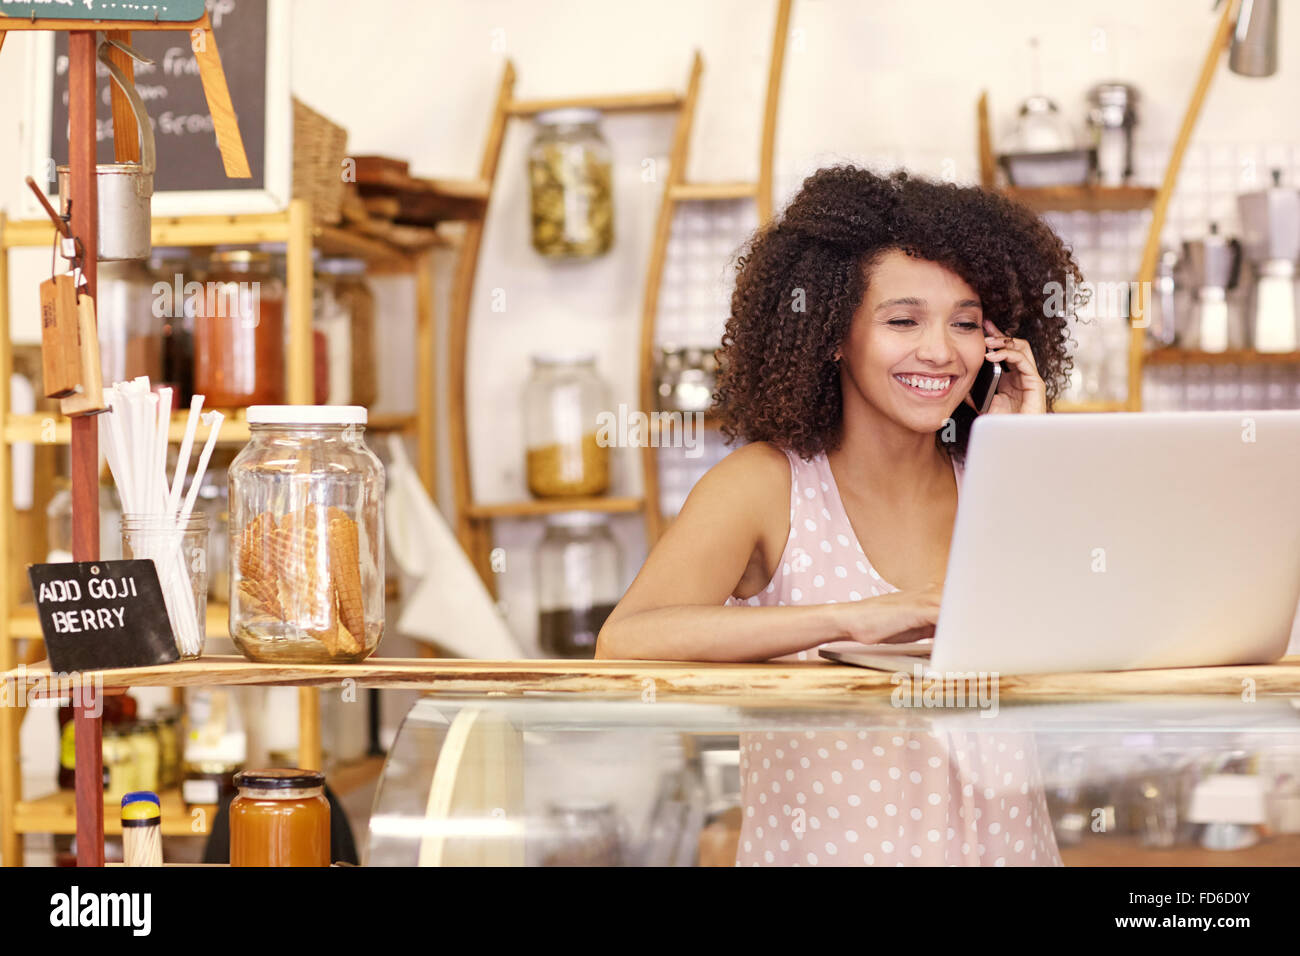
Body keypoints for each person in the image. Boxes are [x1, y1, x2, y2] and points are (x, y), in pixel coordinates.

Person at [596, 165, 1084, 865]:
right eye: (903, 320)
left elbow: (1083, 649)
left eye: (966, 324)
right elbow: (626, 642)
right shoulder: (764, 486)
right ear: (832, 333)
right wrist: (855, 617)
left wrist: (1020, 456)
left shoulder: (997, 480)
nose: (941, 351)